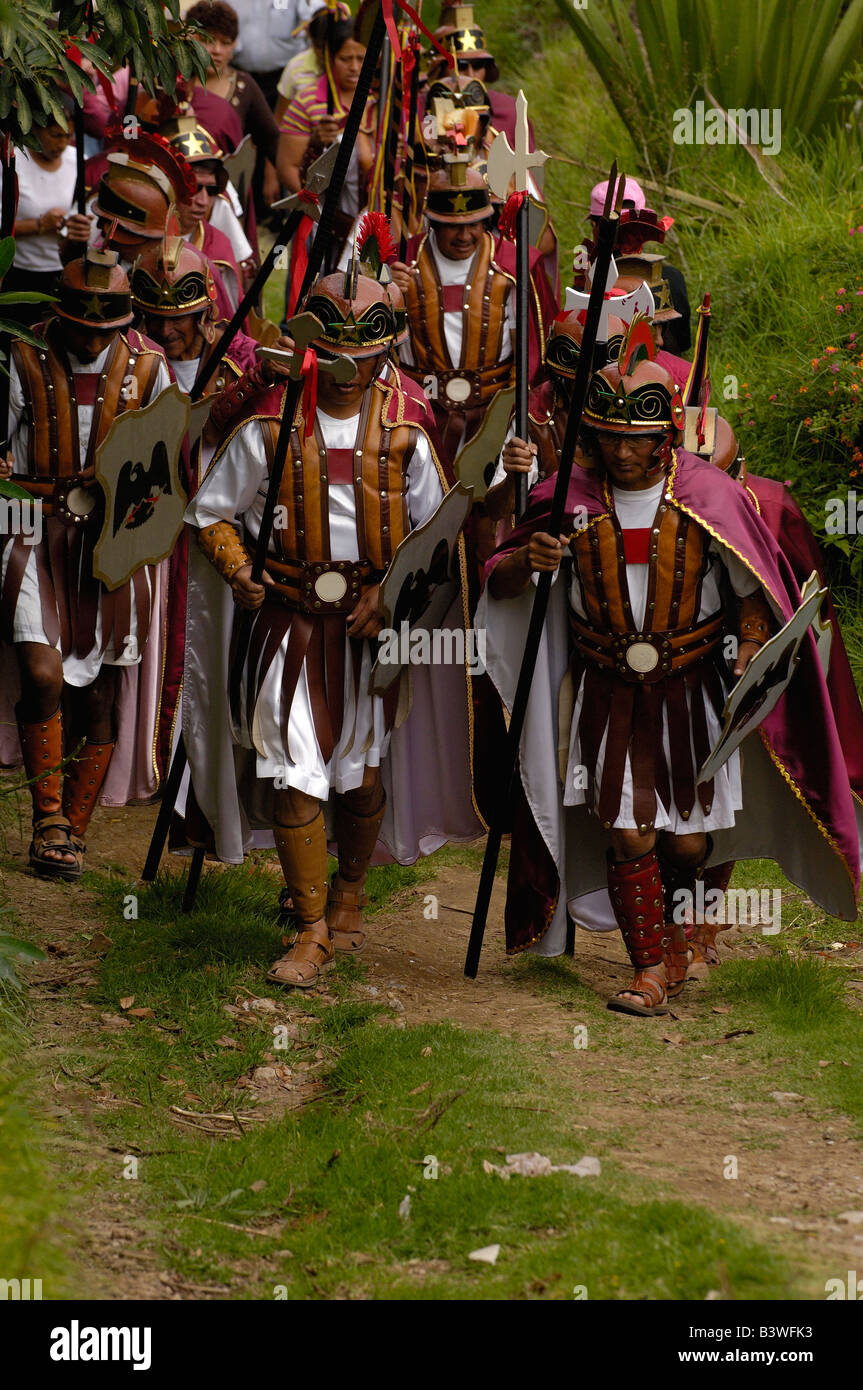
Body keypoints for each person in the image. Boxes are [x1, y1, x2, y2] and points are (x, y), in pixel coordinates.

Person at [479, 332, 860, 1015]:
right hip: (604, 689)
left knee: (684, 839)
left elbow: (752, 593)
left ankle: (679, 938)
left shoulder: (710, 495)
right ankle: (647, 967)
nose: (623, 453)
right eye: (609, 437)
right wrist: (524, 560)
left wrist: (749, 650)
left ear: (665, 436)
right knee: (628, 829)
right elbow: (500, 576)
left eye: (638, 439)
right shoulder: (562, 494)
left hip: (691, 692)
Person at [183, 239, 480, 986]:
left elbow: (436, 537)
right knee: (293, 772)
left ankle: (348, 889)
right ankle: (310, 930)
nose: (349, 373)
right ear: (309, 348)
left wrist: (393, 594)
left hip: (367, 631)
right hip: (286, 621)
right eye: (334, 354)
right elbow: (210, 513)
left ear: (383, 353)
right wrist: (240, 567)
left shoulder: (409, 429)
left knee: (359, 777)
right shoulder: (269, 426)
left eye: (364, 356)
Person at [0, 249, 172, 880]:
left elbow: (165, 469)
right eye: (82, 326)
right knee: (41, 671)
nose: (93, 338)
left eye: (107, 329)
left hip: (117, 539)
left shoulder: (151, 369)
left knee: (100, 689)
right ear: (60, 316)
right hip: (32, 528)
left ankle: (74, 826)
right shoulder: (19, 355)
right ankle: (48, 816)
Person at [276, 12, 376, 257]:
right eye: (345, 58)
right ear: (329, 58)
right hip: (321, 221)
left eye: (360, 58)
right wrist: (319, 213)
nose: (354, 67)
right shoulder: (308, 100)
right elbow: (288, 166)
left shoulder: (379, 102)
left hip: (372, 216)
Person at [185, 1, 283, 213]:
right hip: (176, 193)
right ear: (190, 38)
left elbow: (272, 142)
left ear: (234, 45)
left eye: (226, 42)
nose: (217, 51)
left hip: (224, 202)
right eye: (207, 40)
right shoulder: (171, 80)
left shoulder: (244, 87)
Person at [3, 104, 91, 322]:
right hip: (18, 272)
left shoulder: (78, 159)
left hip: (61, 269)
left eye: (68, 136)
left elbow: (83, 207)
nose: (62, 143)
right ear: (36, 130)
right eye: (55, 135)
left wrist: (75, 227)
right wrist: (40, 225)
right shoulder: (13, 161)